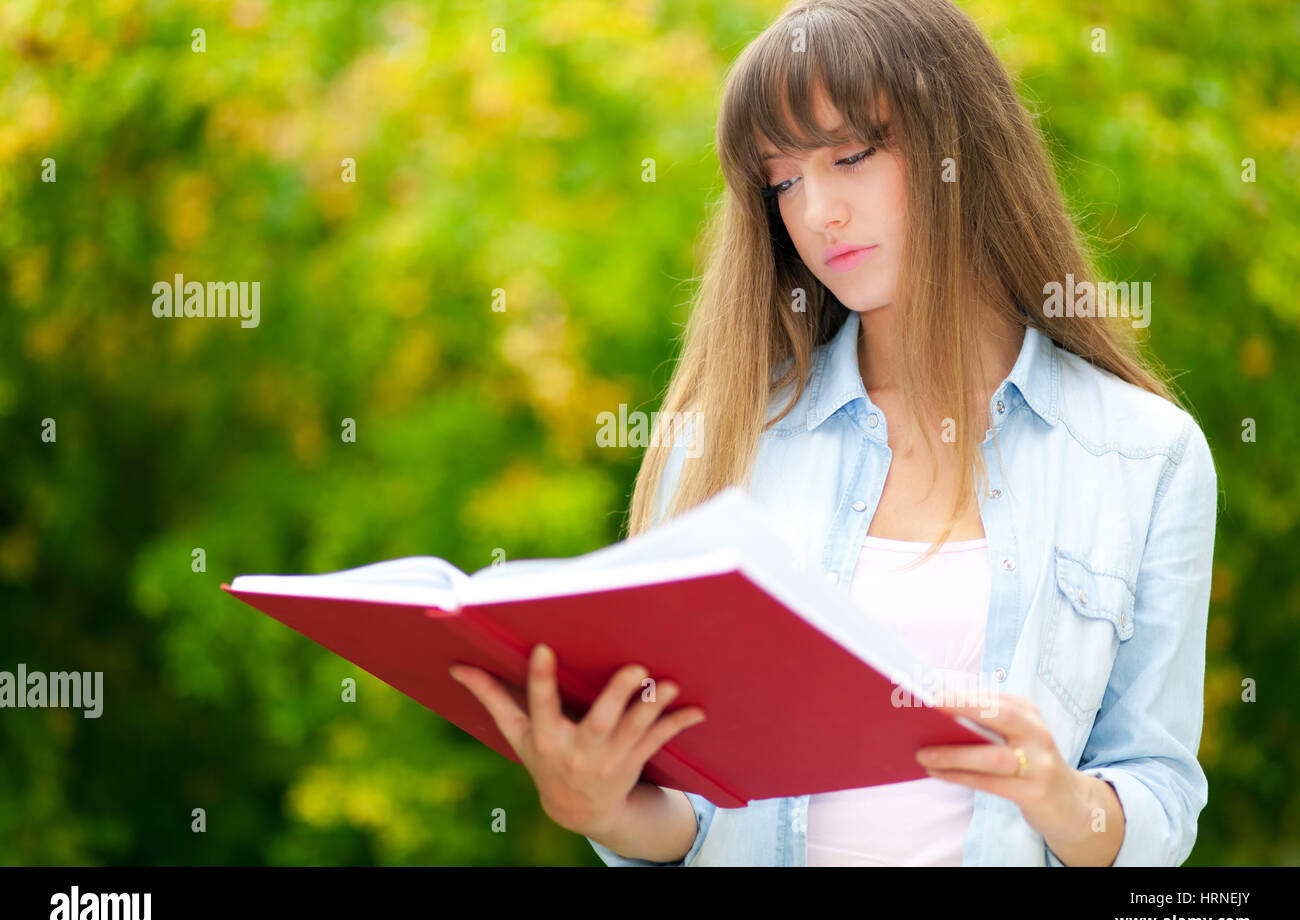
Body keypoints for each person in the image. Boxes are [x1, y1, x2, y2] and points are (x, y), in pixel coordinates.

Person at [449, 0, 1219, 866]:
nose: (817, 212)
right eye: (782, 181)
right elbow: (690, 811)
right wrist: (604, 809)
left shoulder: (1147, 456)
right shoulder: (722, 437)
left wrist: (1065, 801)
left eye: (850, 157)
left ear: (963, 148)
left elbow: (1158, 792)